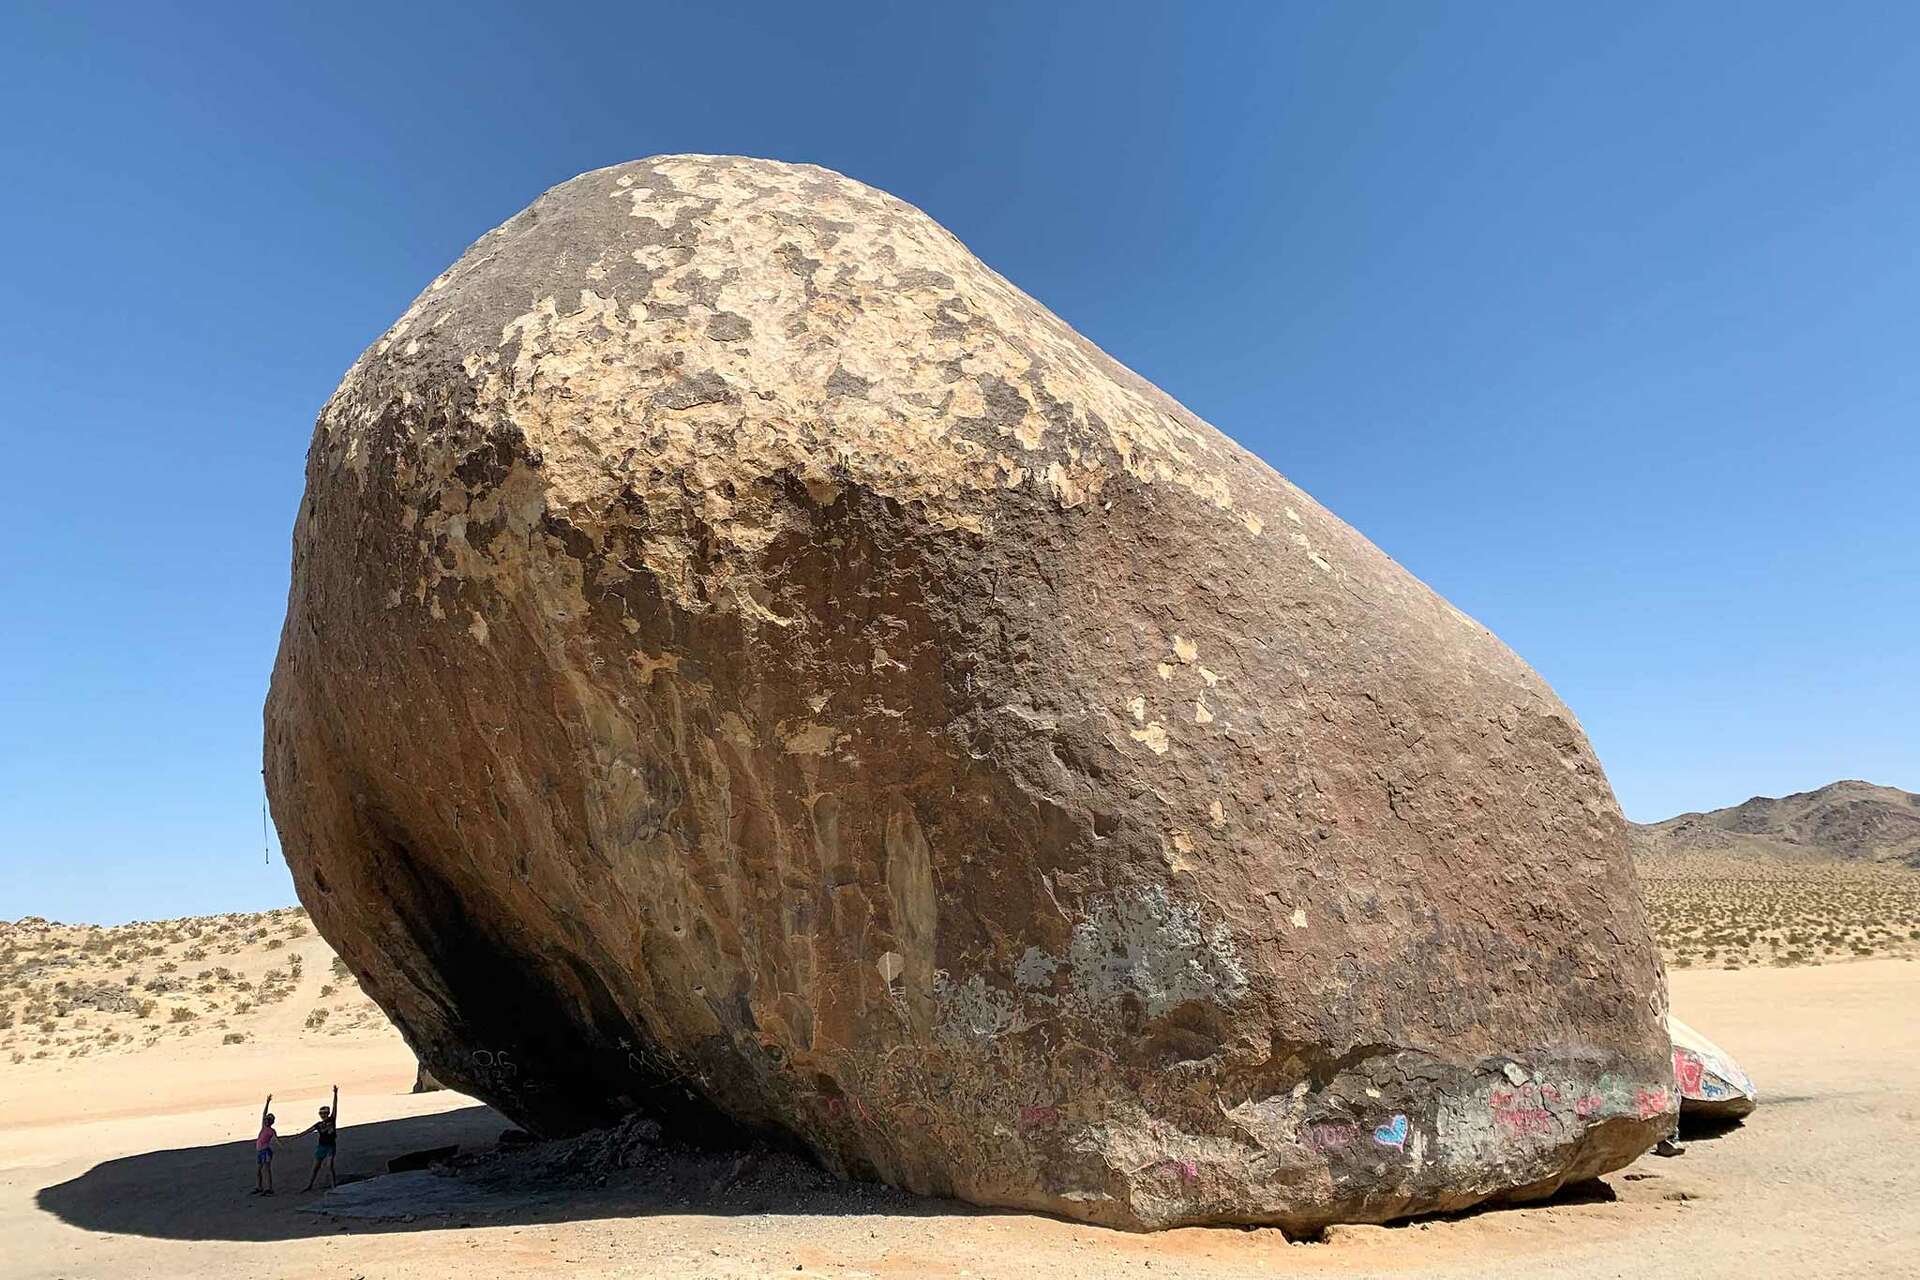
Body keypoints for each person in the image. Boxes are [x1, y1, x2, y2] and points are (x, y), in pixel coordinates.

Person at [289, 1085, 340, 1191]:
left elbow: (335, 1107)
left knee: (329, 1166)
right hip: (321, 1147)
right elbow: (307, 1131)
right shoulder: (318, 1125)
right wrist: (295, 1137)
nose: (323, 1115)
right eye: (321, 1114)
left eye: (324, 1113)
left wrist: (335, 1094)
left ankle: (333, 1186)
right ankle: (310, 1185)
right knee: (316, 1167)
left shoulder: (332, 1120)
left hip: (330, 1146)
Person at [253, 1094, 277, 1195]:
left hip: (266, 1151)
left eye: (268, 1120)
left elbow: (276, 1140)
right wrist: (267, 1103)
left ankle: (269, 1188)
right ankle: (259, 1187)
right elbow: (264, 1113)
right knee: (258, 1170)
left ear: (271, 1122)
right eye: (266, 1120)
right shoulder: (263, 1127)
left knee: (266, 1170)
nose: (266, 1121)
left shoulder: (271, 1130)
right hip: (260, 1151)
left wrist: (283, 1145)